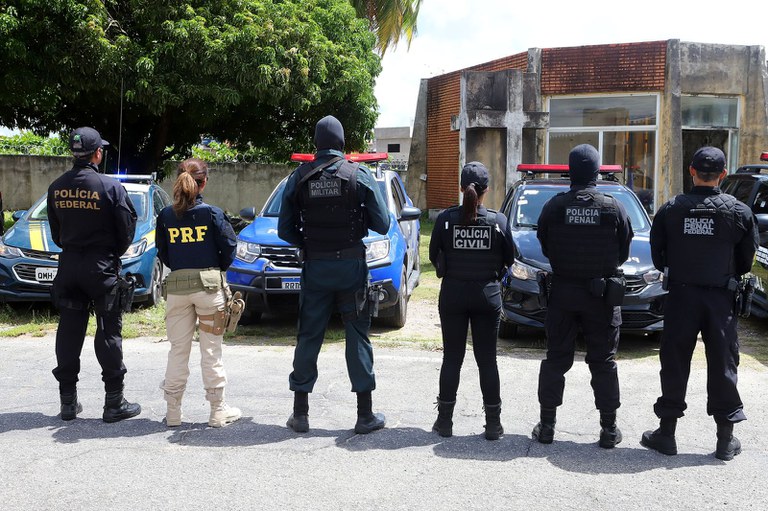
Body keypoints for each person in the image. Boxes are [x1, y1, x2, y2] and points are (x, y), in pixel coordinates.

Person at [641, 147, 758, 461]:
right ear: (723, 174)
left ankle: (667, 434)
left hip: (681, 296)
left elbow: (658, 255)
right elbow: (746, 261)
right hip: (721, 298)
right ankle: (725, 440)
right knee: (723, 363)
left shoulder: (670, 210)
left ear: (691, 171)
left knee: (674, 361)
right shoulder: (739, 211)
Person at [278, 115, 390, 434]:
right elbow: (382, 224)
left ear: (316, 143)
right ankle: (364, 415)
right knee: (357, 334)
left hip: (315, 266)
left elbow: (285, 229)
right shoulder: (358, 174)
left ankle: (300, 413)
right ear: (341, 142)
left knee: (309, 334)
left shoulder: (299, 177)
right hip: (351, 267)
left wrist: (307, 243)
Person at [533, 143, 633, 448]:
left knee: (556, 359)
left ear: (570, 171)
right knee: (603, 362)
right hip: (601, 297)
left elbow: (545, 245)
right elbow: (624, 249)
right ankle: (609, 430)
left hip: (563, 293)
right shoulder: (613, 207)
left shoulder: (554, 206)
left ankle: (547, 426)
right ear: (597, 172)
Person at [48, 126, 141, 422]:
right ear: (97, 154)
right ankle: (114, 403)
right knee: (108, 330)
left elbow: (56, 233)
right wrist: (110, 252)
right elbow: (126, 231)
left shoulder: (56, 187)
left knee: (69, 330)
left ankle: (67, 402)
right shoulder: (110, 187)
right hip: (101, 267)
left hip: (69, 265)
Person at [428, 161, 515, 439]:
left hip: (453, 294)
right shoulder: (498, 222)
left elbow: (433, 255)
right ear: (486, 190)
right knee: (487, 361)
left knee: (452, 358)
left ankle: (444, 422)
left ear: (460, 188)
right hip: (486, 296)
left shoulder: (445, 220)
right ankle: (493, 425)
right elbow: (510, 258)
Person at [156, 158, 241, 428]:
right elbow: (230, 248)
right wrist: (215, 269)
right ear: (204, 182)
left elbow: (163, 252)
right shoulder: (213, 214)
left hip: (177, 290)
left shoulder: (166, 216)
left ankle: (173, 412)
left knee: (178, 350)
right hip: (209, 289)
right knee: (211, 351)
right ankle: (217, 411)